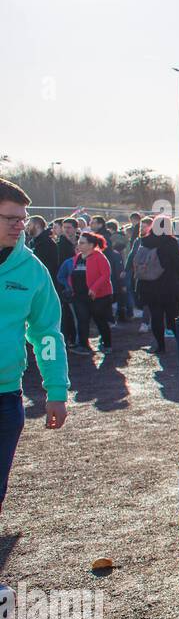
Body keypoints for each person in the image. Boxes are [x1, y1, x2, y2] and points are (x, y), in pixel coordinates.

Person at [0, 179, 69, 557]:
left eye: (22, 219)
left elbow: (46, 333)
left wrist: (55, 391)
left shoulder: (32, 269)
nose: (19, 226)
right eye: (10, 218)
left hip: (6, 399)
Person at [133, 214, 179, 354]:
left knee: (156, 316)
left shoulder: (144, 241)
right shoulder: (170, 242)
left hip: (149, 285)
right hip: (168, 285)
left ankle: (160, 346)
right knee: (173, 317)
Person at [69, 231, 115, 354]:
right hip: (79, 295)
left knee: (100, 320)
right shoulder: (77, 258)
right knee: (82, 320)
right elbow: (71, 274)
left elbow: (106, 275)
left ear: (91, 245)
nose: (79, 245)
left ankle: (107, 344)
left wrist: (94, 288)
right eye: (79, 242)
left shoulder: (99, 257)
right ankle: (84, 346)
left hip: (98, 296)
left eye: (82, 243)